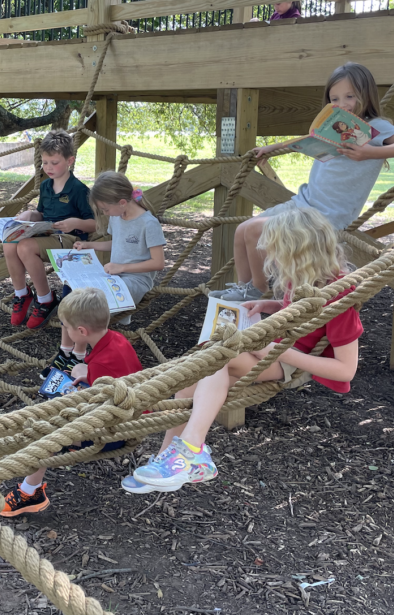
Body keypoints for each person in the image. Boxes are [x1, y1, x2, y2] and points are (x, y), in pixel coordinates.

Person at [125, 206, 361, 494]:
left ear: (298, 252)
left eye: (278, 252)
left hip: (291, 362)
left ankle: (191, 451)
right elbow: (300, 314)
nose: (272, 260)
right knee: (192, 376)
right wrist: (271, 307)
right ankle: (167, 460)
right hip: (273, 346)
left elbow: (346, 369)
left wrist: (276, 351)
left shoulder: (339, 296)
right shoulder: (298, 278)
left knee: (215, 360)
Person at [210, 62, 394, 302]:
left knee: (253, 231)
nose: (341, 104)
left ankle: (258, 289)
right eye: (334, 99)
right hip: (304, 203)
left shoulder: (374, 128)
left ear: (365, 95)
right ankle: (244, 287)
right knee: (242, 230)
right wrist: (272, 148)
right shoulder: (335, 125)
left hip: (325, 217)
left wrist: (368, 152)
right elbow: (305, 141)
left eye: (349, 96)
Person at [1, 287, 143, 516]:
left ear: (81, 331)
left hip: (116, 431)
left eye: (66, 327)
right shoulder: (115, 339)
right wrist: (89, 378)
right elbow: (121, 377)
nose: (64, 330)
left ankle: (30, 493)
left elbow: (101, 412)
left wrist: (75, 398)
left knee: (47, 436)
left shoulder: (101, 364)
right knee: (73, 378)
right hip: (125, 410)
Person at [46, 171, 165, 375]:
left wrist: (122, 268)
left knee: (88, 305)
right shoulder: (118, 216)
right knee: (71, 289)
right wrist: (88, 245)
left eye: (105, 209)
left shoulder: (148, 223)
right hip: (113, 275)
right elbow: (116, 243)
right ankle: (65, 351)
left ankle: (78, 356)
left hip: (135, 280)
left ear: (121, 202)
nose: (105, 213)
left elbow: (158, 262)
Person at [6, 130, 97, 330]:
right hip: (47, 234)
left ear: (69, 160)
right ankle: (22, 294)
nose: (48, 167)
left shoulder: (79, 190)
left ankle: (45, 298)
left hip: (70, 239)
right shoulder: (46, 186)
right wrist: (30, 216)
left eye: (54, 163)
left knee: (25, 247)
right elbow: (41, 214)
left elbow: (94, 224)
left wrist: (75, 222)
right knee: (10, 243)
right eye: (45, 162)